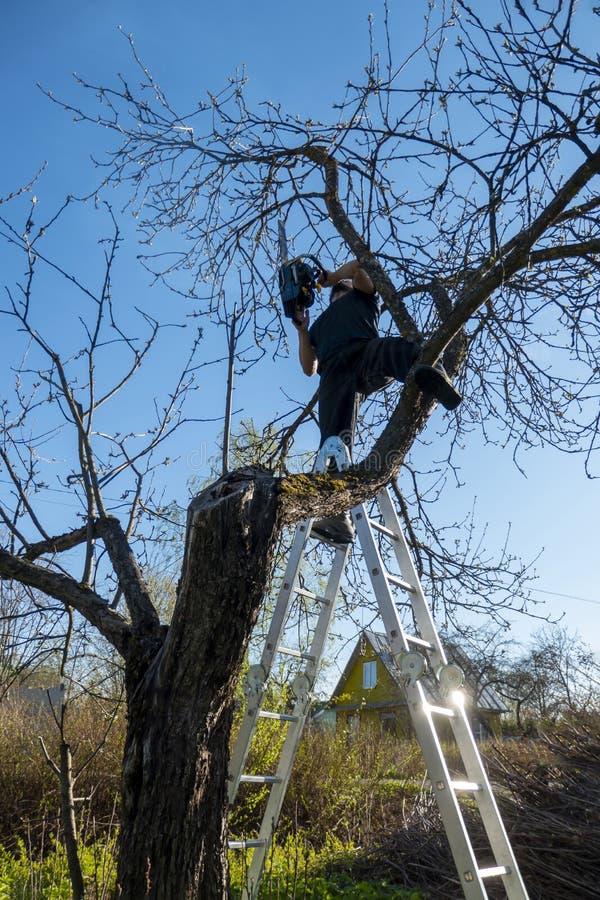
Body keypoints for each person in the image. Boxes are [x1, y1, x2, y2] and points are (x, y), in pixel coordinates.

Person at [293, 259, 462, 546]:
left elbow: (359, 266)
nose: (338, 288)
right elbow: (309, 368)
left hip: (364, 354)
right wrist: (302, 330)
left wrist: (332, 276)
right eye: (336, 288)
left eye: (341, 285)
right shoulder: (319, 325)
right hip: (334, 374)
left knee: (397, 349)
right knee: (333, 441)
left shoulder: (364, 297)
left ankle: (434, 376)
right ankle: (337, 517)